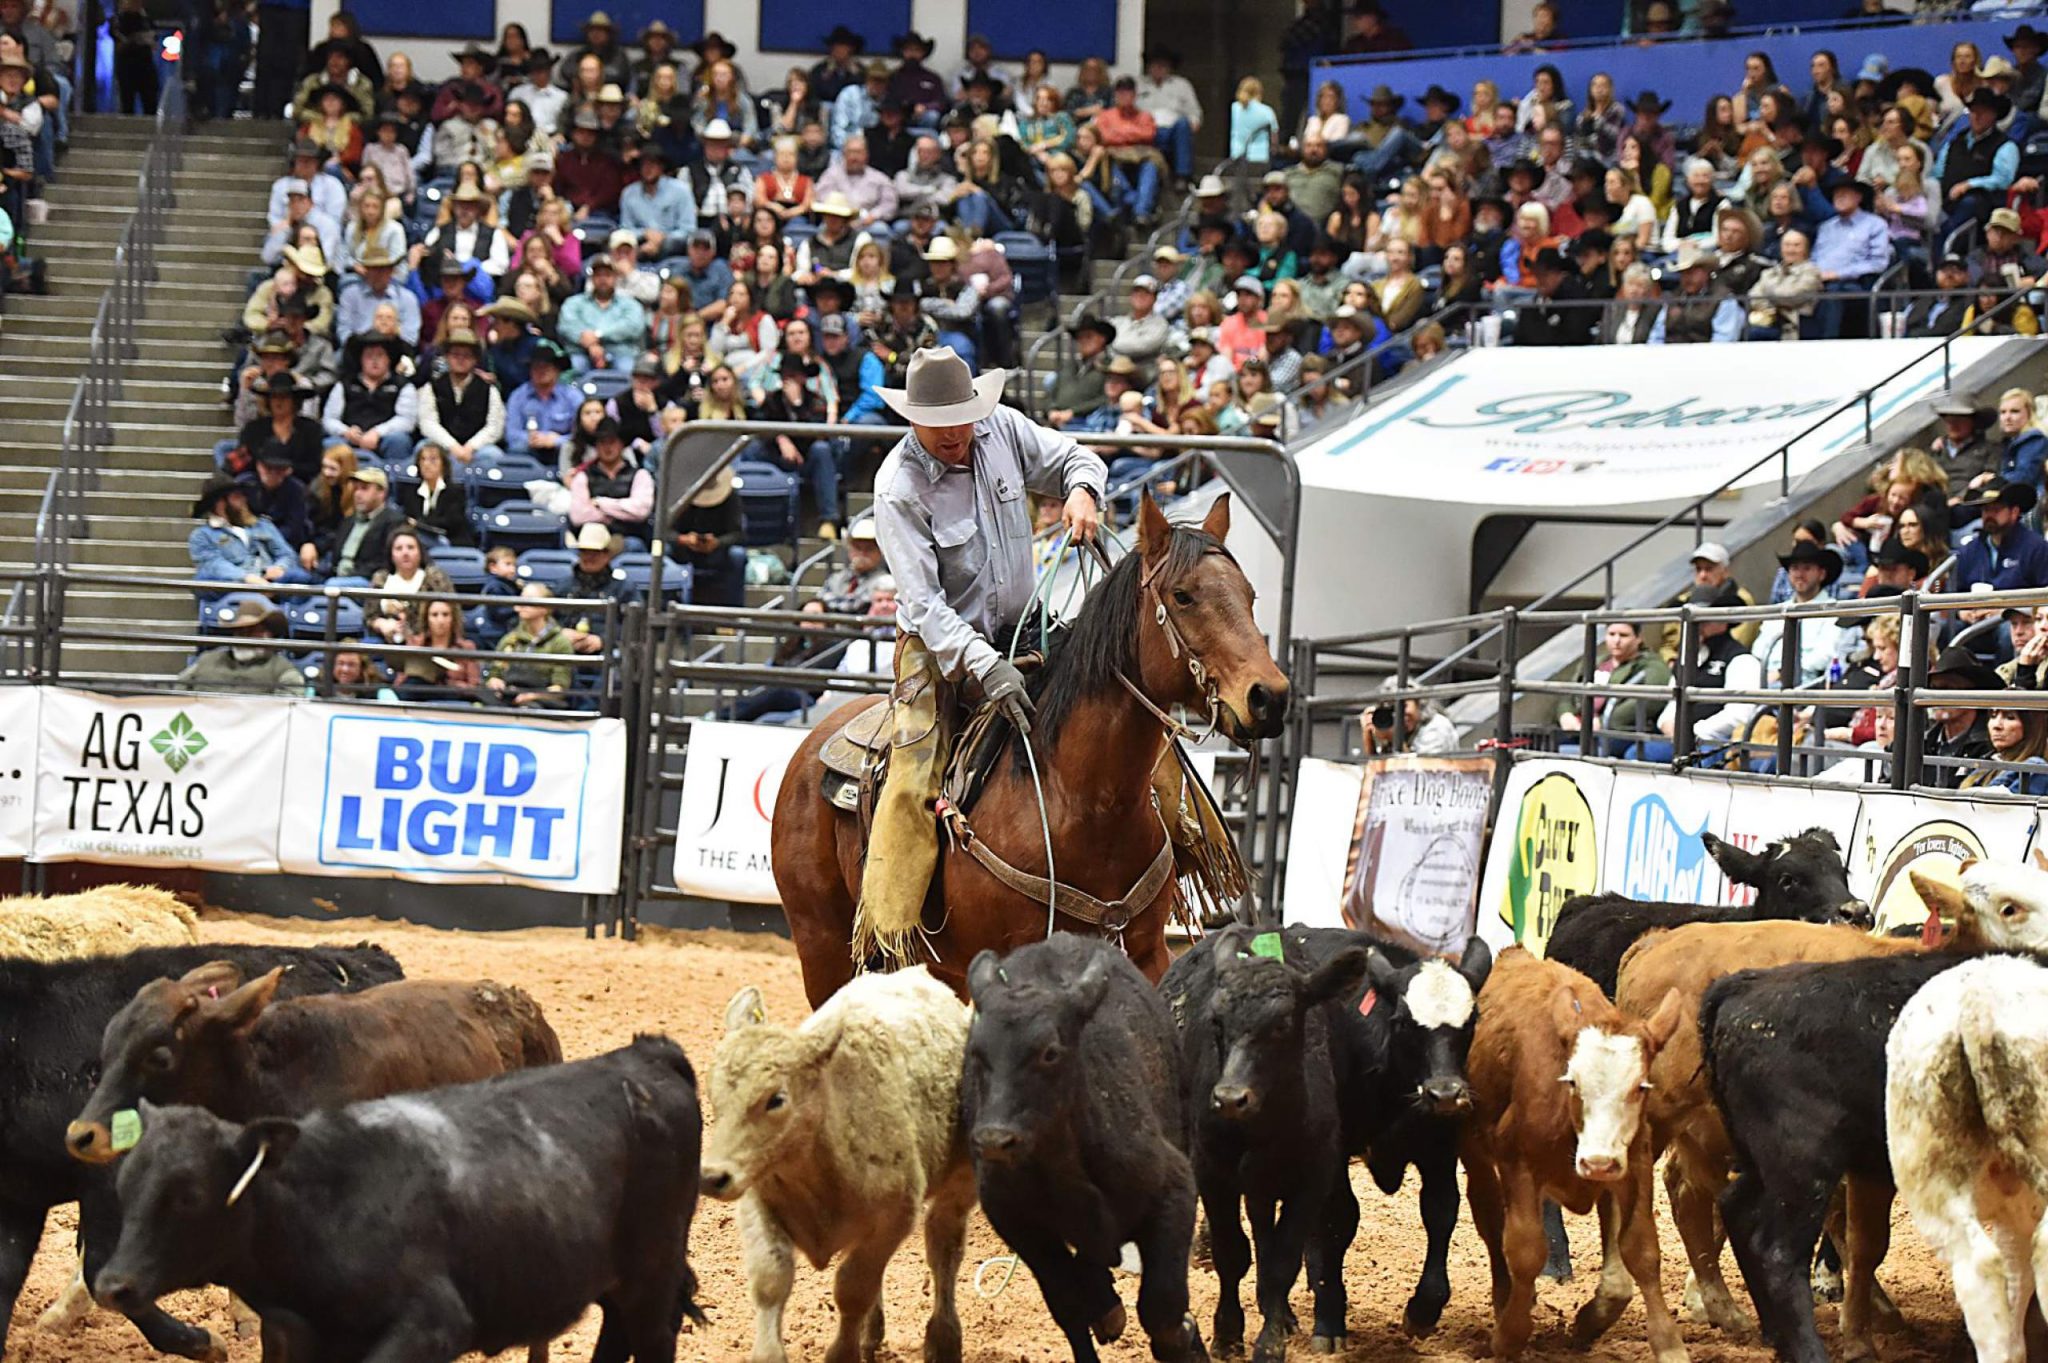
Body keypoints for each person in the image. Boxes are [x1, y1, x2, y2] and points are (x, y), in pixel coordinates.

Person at [861, 346, 1104, 955]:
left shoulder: (1003, 429)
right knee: (914, 774)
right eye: (939, 425)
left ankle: (1178, 870)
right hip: (940, 650)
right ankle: (891, 934)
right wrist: (982, 663)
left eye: (962, 419)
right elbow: (923, 605)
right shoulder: (898, 487)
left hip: (1026, 627)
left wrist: (1080, 492)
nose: (954, 435)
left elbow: (1076, 456)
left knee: (1113, 714)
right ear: (913, 420)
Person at [1556, 620, 1670, 756]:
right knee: (1542, 742)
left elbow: (1651, 701)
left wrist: (1603, 721)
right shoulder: (1596, 661)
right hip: (1581, 726)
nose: (1616, 640)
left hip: (1620, 732)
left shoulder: (1653, 666)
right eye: (1611, 634)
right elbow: (1570, 692)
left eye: (1623, 635)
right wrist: (1565, 714)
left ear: (1638, 638)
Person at [177, 598, 303, 694]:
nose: (245, 637)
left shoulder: (283, 671)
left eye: (253, 631)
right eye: (240, 631)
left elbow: (288, 712)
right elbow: (176, 694)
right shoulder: (207, 660)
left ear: (268, 635)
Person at [1921, 647, 2000, 789]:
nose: (1938, 696)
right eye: (1933, 689)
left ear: (1974, 695)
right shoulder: (1921, 742)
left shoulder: (1991, 745)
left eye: (1948, 689)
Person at [486, 583, 576, 706]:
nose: (521, 605)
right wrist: (494, 681)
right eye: (521, 599)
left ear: (545, 608)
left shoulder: (560, 643)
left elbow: (559, 687)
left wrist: (533, 696)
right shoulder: (509, 639)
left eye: (528, 600)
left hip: (541, 702)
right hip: (507, 697)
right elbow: (494, 673)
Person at [1956, 481, 2048, 591]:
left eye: (1996, 509)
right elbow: (1956, 597)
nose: (1989, 515)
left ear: (2014, 512)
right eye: (1985, 510)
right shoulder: (1969, 551)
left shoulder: (2036, 548)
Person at [330, 466, 406, 578]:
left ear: (382, 493)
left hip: (366, 581)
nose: (357, 494)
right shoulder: (349, 520)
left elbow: (385, 563)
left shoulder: (394, 522)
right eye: (356, 489)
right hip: (334, 575)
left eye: (364, 488)